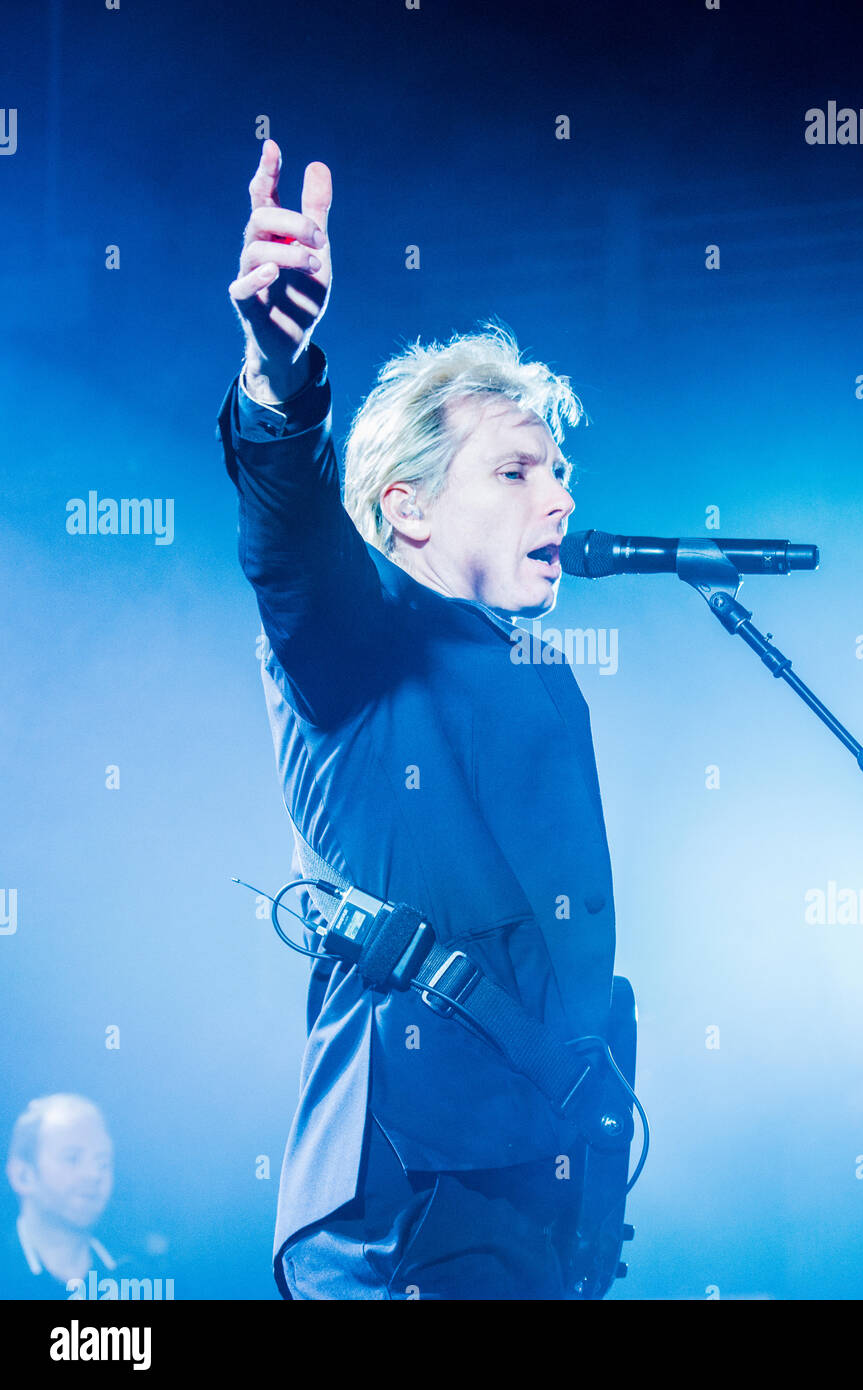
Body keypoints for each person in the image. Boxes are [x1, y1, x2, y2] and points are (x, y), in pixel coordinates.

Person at [218, 140, 622, 1299]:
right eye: (515, 472)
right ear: (407, 507)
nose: (559, 496)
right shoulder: (356, 629)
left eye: (560, 473)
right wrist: (278, 370)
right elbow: (290, 533)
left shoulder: (538, 673)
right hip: (405, 1193)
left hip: (528, 1201)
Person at [3, 1095, 116, 1299]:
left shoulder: (142, 1276)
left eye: (103, 1162)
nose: (93, 1174)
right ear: (23, 1175)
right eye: (72, 1158)